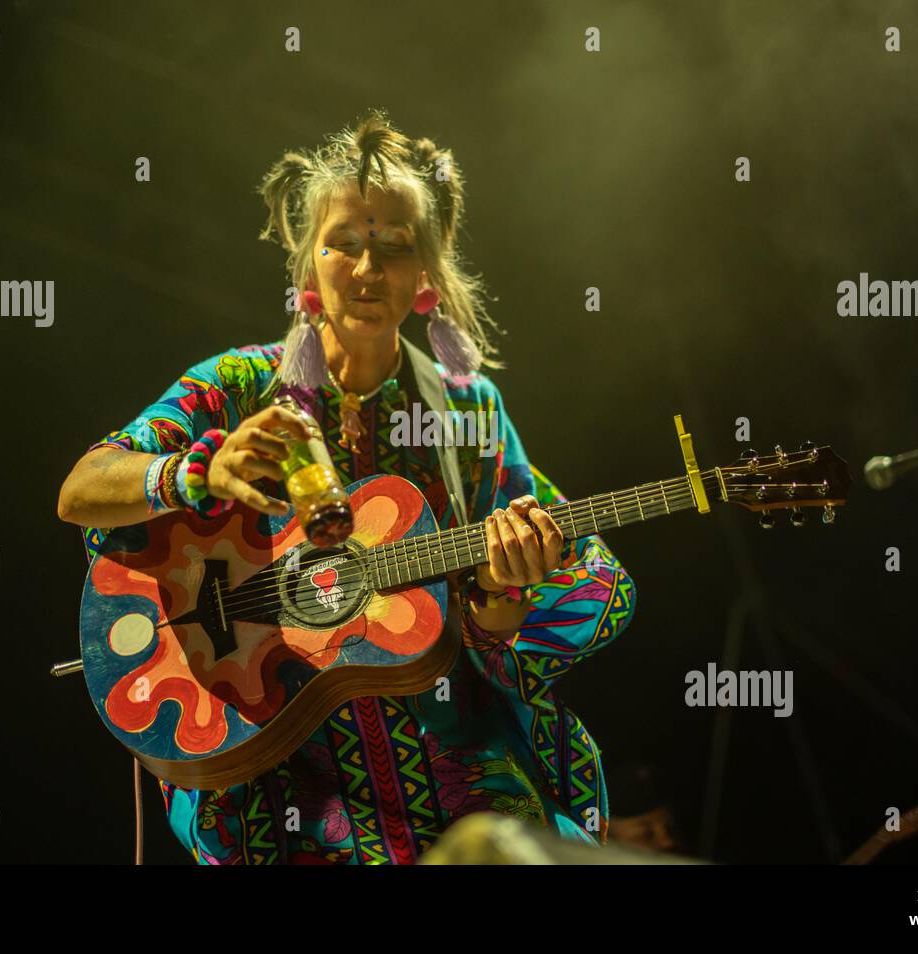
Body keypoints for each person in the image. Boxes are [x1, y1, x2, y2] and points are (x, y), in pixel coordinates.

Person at [56, 110, 637, 865]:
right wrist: (196, 472)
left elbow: (575, 586)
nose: (368, 270)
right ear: (307, 266)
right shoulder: (238, 385)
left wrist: (503, 594)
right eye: (343, 245)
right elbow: (82, 489)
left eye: (395, 248)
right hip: (280, 768)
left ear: (425, 276)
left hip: (449, 763)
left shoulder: (466, 411)